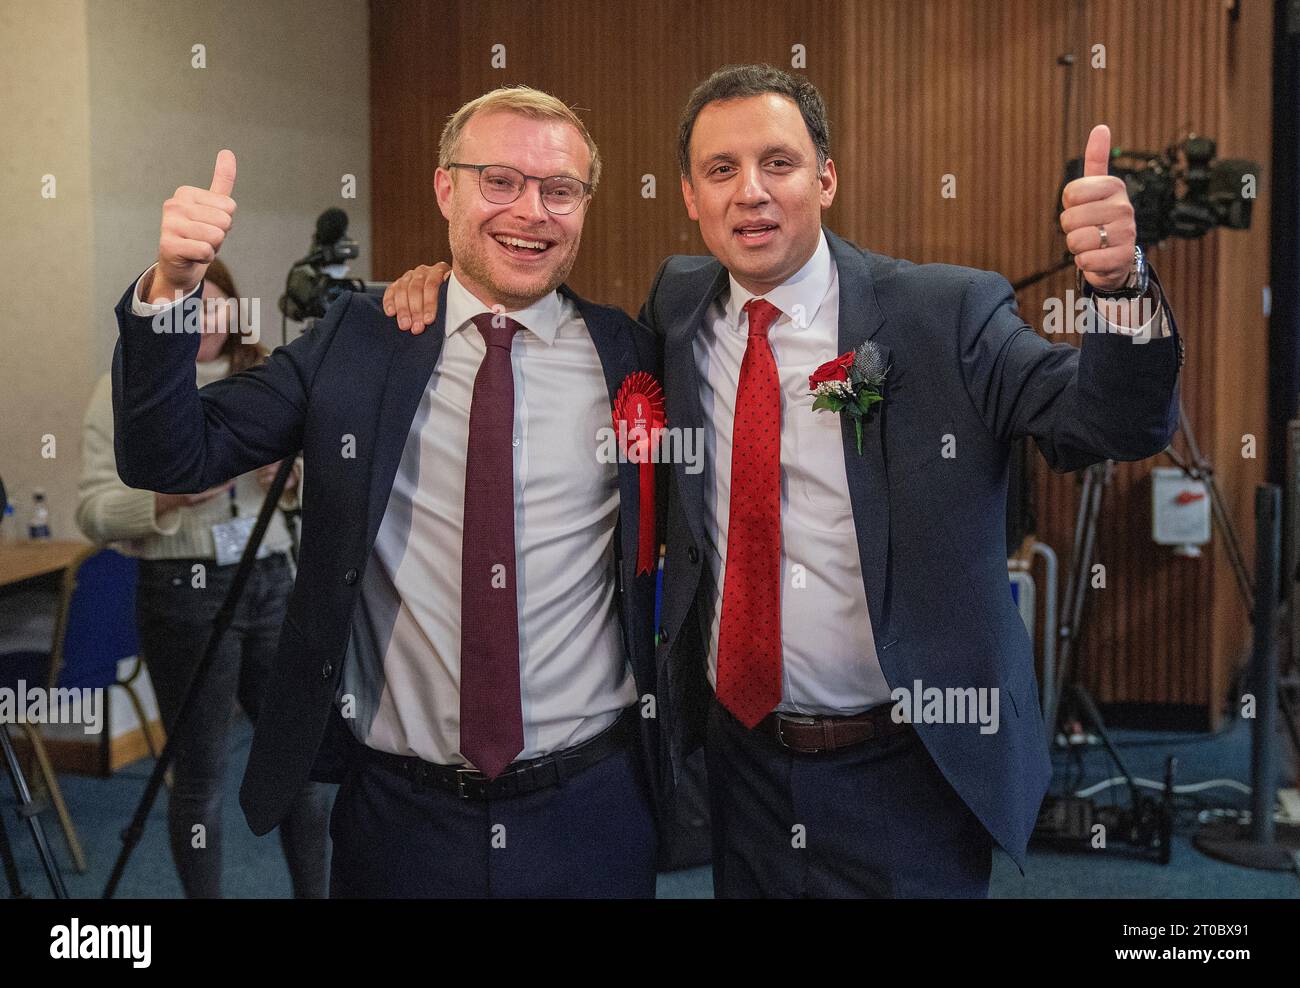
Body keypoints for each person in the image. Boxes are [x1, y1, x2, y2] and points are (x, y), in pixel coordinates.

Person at [383, 64, 1184, 898]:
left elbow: (1112, 425)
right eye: (721, 171)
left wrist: (1118, 288)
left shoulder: (945, 312)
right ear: (690, 197)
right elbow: (547, 310)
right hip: (745, 765)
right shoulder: (680, 303)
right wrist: (451, 289)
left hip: (908, 769)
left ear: (825, 178)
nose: (751, 194)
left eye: (779, 164)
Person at [110, 86, 661, 898]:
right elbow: (172, 453)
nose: (531, 211)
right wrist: (171, 290)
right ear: (446, 189)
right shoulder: (360, 341)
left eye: (560, 189)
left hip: (592, 810)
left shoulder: (631, 354)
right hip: (402, 820)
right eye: (499, 180)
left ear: (584, 205)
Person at [77, 258, 328, 898]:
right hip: (182, 591)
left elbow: (335, 477)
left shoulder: (268, 378)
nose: (205, 320)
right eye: (190, 306)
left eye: (216, 305)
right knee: (202, 774)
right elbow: (92, 512)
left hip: (272, 578)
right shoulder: (131, 389)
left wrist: (293, 478)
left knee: (297, 766)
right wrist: (165, 499)